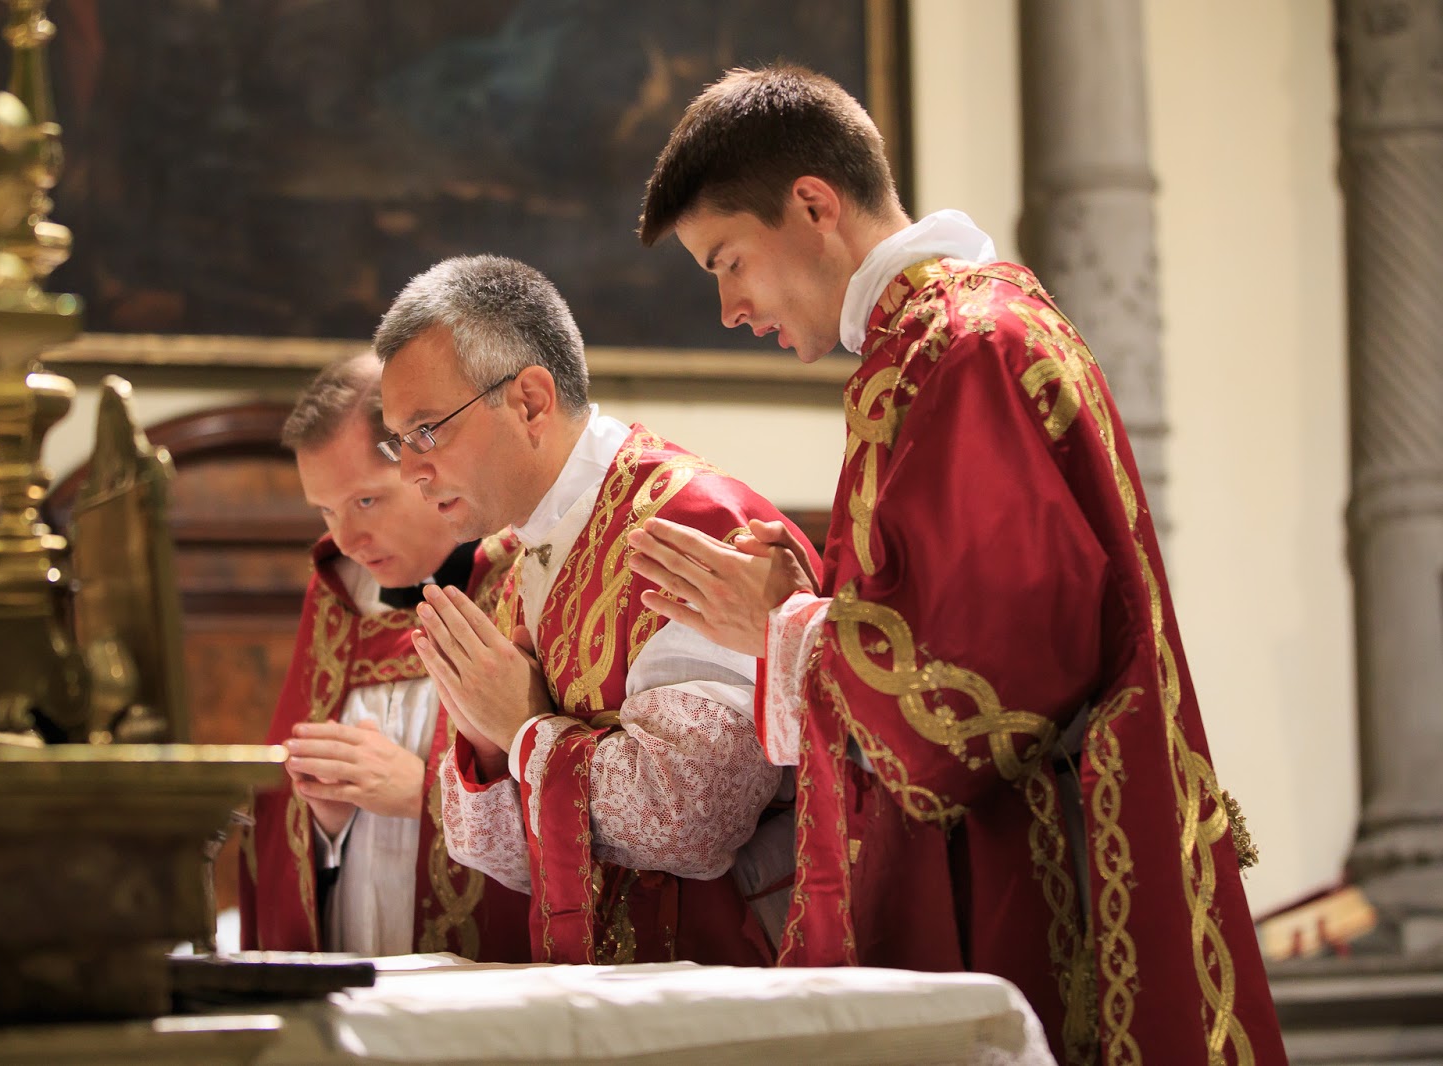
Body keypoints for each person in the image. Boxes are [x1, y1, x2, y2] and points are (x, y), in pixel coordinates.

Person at [629, 64, 1286, 1065]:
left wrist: (787, 624)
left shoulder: (965, 346)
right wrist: (807, 610)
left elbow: (985, 689)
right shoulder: (935, 342)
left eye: (727, 262)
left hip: (1034, 888)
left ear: (812, 206)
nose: (729, 308)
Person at [372, 255, 815, 965]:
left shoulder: (690, 523)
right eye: (397, 441)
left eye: (427, 430)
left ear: (530, 401)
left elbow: (692, 822)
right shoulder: (521, 558)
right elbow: (498, 856)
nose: (409, 470)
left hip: (727, 981)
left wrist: (521, 729)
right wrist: (489, 743)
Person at [238, 351, 529, 962]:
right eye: (325, 510)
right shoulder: (340, 592)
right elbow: (279, 825)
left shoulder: (528, 583)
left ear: (429, 469)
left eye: (366, 502)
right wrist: (324, 819)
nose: (345, 537)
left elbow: (590, 809)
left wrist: (421, 795)